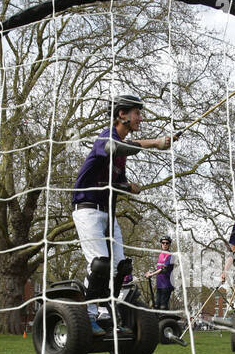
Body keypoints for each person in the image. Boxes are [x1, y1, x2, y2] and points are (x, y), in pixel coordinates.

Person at [72, 94, 171, 326]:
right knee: (99, 264)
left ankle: (108, 310)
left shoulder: (122, 155)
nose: (141, 118)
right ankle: (89, 313)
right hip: (87, 208)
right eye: (137, 113)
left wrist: (128, 186)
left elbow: (115, 180)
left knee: (121, 266)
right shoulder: (106, 137)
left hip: (108, 211)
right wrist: (155, 143)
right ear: (121, 115)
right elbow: (115, 148)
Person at [146, 236, 175, 310]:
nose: (165, 244)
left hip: (167, 285)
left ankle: (168, 321)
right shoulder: (160, 255)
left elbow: (164, 269)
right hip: (159, 284)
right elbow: (158, 268)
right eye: (163, 243)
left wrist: (152, 274)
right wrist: (150, 272)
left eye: (167, 243)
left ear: (169, 245)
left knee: (163, 307)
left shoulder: (171, 256)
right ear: (161, 244)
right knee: (156, 306)